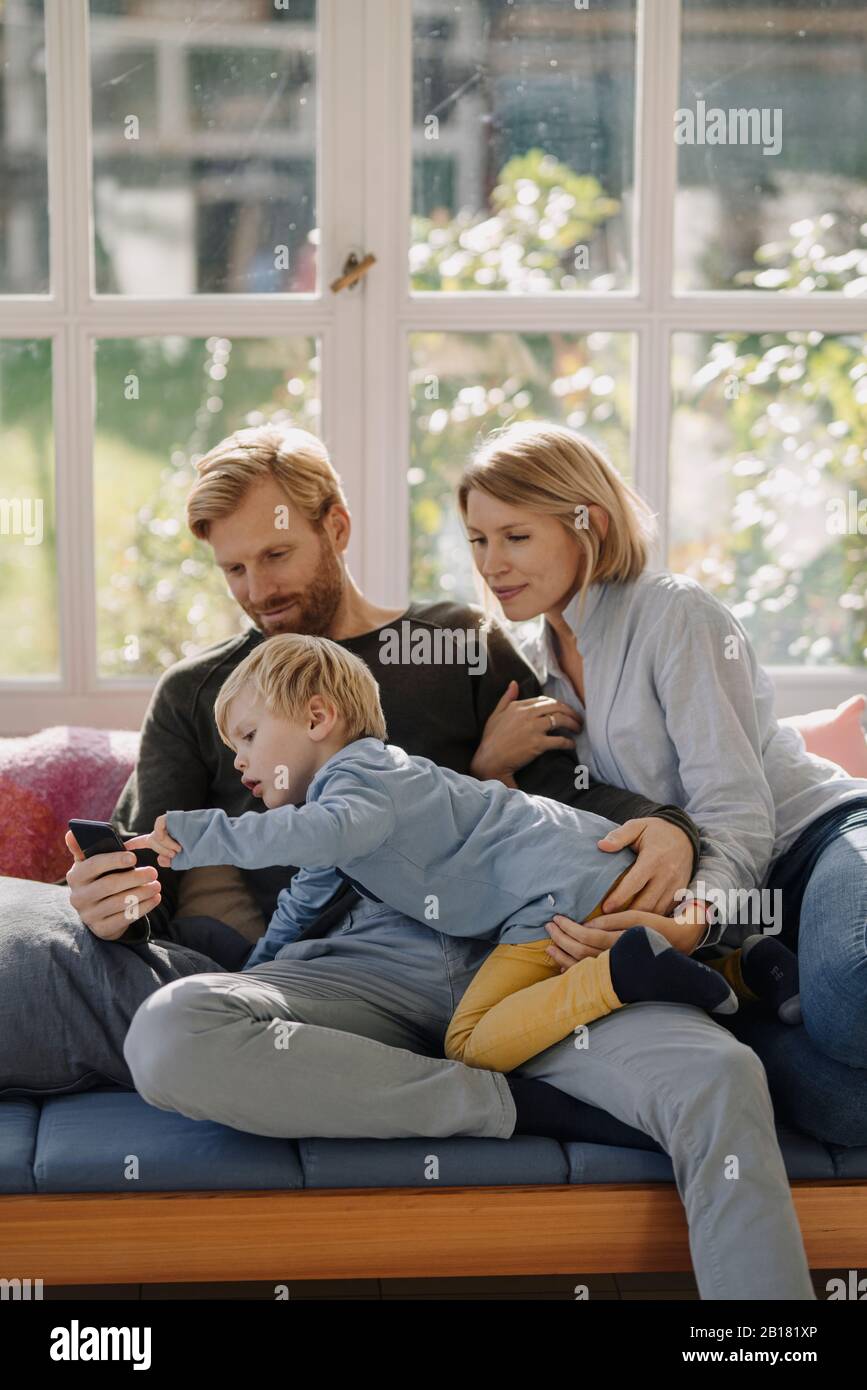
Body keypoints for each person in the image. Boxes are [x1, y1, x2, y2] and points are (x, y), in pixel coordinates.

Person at [0, 422, 815, 1299]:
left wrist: (667, 828)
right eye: (233, 570)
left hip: (530, 945)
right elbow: (152, 871)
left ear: (337, 528)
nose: (257, 591)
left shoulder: (457, 640)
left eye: (275, 555)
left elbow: (559, 795)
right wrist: (102, 893)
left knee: (720, 1076)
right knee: (169, 1033)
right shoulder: (202, 696)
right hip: (349, 982)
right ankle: (512, 1100)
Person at [458, 418, 867, 1147]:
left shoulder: (672, 613)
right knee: (846, 1109)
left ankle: (768, 989)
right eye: (478, 540)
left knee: (856, 999)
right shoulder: (523, 665)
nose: (492, 563)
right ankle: (754, 992)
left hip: (813, 841)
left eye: (515, 536)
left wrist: (691, 921)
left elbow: (737, 808)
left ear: (591, 525)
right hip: (734, 930)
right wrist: (490, 766)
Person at [126, 633, 800, 1074]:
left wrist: (191, 836)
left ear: (315, 718)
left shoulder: (359, 790)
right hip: (573, 868)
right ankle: (745, 967)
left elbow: (308, 838)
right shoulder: (368, 792)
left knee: (471, 1041)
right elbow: (305, 893)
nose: (240, 760)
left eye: (247, 736)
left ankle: (624, 977)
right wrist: (258, 969)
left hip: (553, 898)